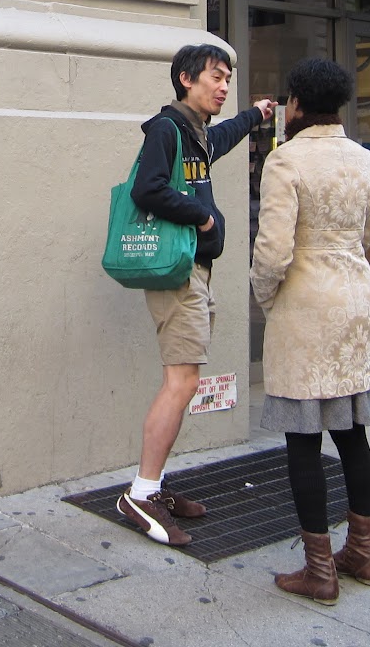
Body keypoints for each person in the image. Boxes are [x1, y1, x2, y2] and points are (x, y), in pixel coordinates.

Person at [116, 43, 274, 547]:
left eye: (227, 78)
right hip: (180, 272)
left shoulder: (197, 133)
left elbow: (224, 136)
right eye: (215, 76)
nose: (223, 85)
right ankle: (140, 493)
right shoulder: (167, 129)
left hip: (195, 271)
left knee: (183, 380)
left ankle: (154, 485)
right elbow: (147, 189)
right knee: (181, 383)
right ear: (186, 79)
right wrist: (202, 217)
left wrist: (256, 114)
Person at [250, 56, 370, 604]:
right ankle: (363, 552)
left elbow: (273, 250)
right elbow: (369, 229)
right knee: (351, 431)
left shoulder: (286, 161)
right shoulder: (362, 158)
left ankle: (319, 568)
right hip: (356, 297)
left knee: (303, 437)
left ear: (297, 105)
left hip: (305, 303)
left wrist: (265, 296)